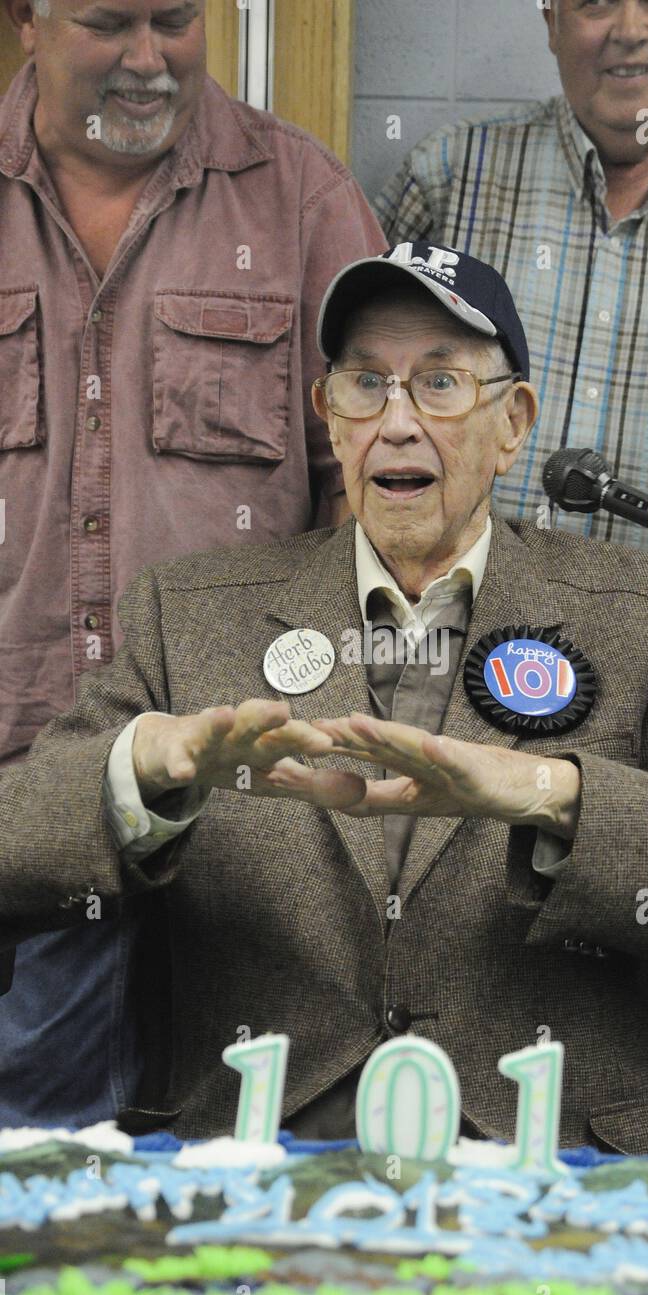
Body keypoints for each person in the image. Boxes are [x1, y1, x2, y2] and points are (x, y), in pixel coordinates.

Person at [1, 242, 648, 1156]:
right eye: (366, 384)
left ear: (514, 423)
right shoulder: (189, 612)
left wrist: (550, 795)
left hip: (558, 1173)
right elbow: (16, 849)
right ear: (329, 420)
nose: (398, 422)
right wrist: (143, 772)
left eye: (441, 383)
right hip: (257, 1172)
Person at [0, 0, 386, 1125]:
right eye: (108, 22)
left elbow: (374, 491)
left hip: (245, 801)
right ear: (26, 16)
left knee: (241, 1169)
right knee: (34, 1174)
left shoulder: (305, 200)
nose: (146, 58)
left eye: (174, 19)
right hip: (20, 802)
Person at [374, 0, 648, 607]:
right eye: (594, 2)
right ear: (551, 21)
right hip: (442, 639)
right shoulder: (449, 176)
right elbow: (343, 408)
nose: (628, 30)